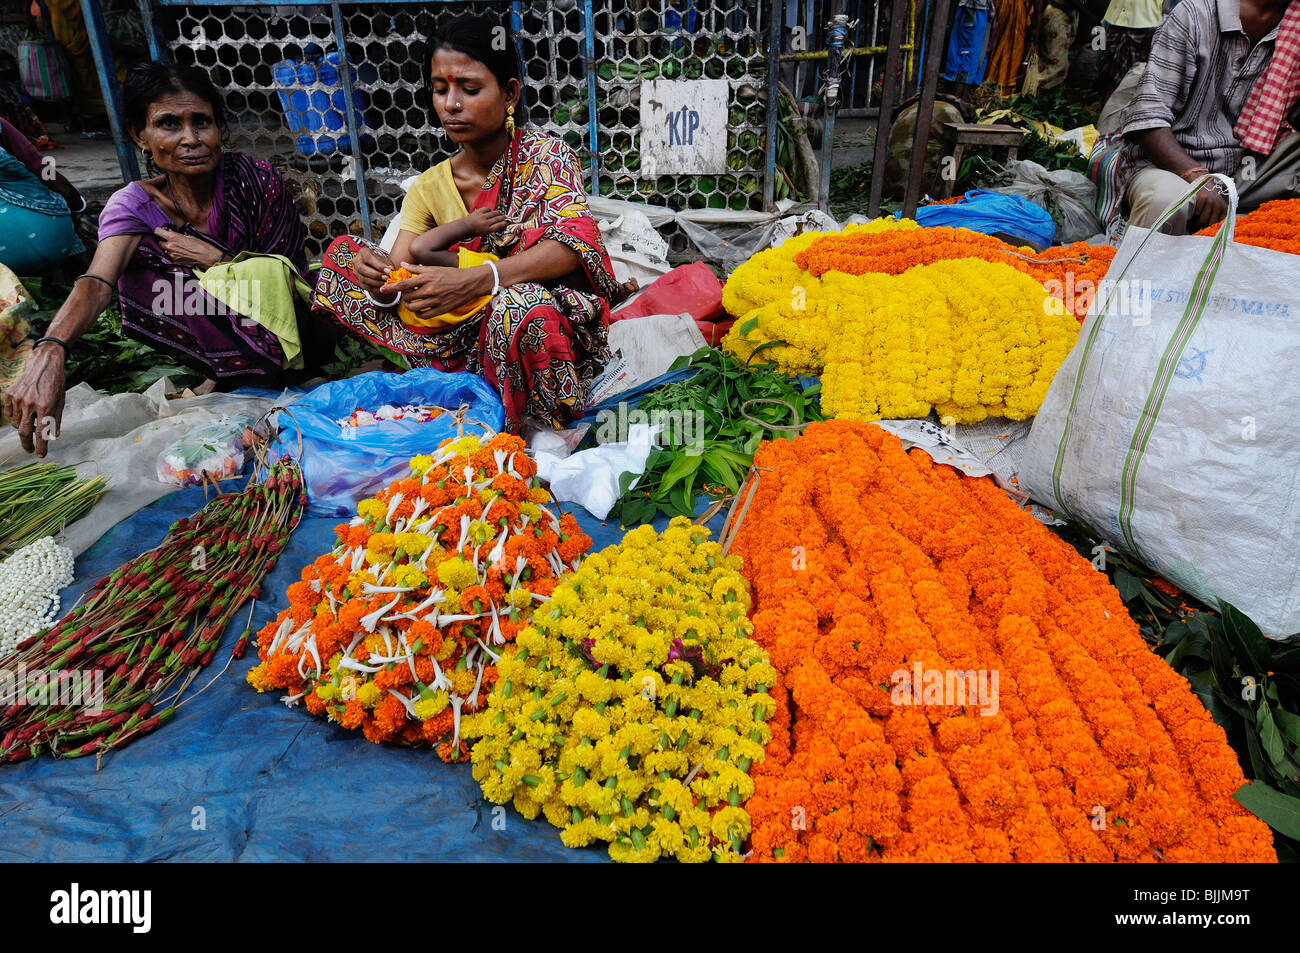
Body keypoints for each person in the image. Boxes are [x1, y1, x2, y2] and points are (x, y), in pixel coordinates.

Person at [313, 14, 631, 433]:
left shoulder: (546, 157)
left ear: (510, 93)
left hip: (535, 324)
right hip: (451, 331)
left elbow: (573, 244)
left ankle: (540, 421)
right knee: (343, 257)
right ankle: (455, 388)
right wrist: (379, 280)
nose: (451, 104)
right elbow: (402, 264)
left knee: (520, 307)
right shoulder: (430, 185)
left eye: (470, 88)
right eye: (440, 89)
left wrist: (482, 278)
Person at [3, 62, 323, 457]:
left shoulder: (255, 180)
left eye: (202, 122)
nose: (190, 138)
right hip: (225, 330)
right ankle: (227, 370)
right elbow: (97, 282)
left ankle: (259, 370)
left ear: (219, 128)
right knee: (141, 270)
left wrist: (219, 259)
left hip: (299, 335)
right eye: (169, 124)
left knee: (264, 275)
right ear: (141, 135)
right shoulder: (134, 205)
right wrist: (51, 350)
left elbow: (294, 282)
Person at [1116, 0, 1300, 234]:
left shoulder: (1293, 26)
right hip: (1169, 167)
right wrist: (1199, 179)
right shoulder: (1195, 14)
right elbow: (1148, 118)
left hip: (1243, 172)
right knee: (1166, 200)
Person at [0, 115, 87, 273]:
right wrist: (79, 206)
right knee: (69, 215)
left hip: (5, 267)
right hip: (54, 242)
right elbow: (40, 167)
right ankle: (91, 276)